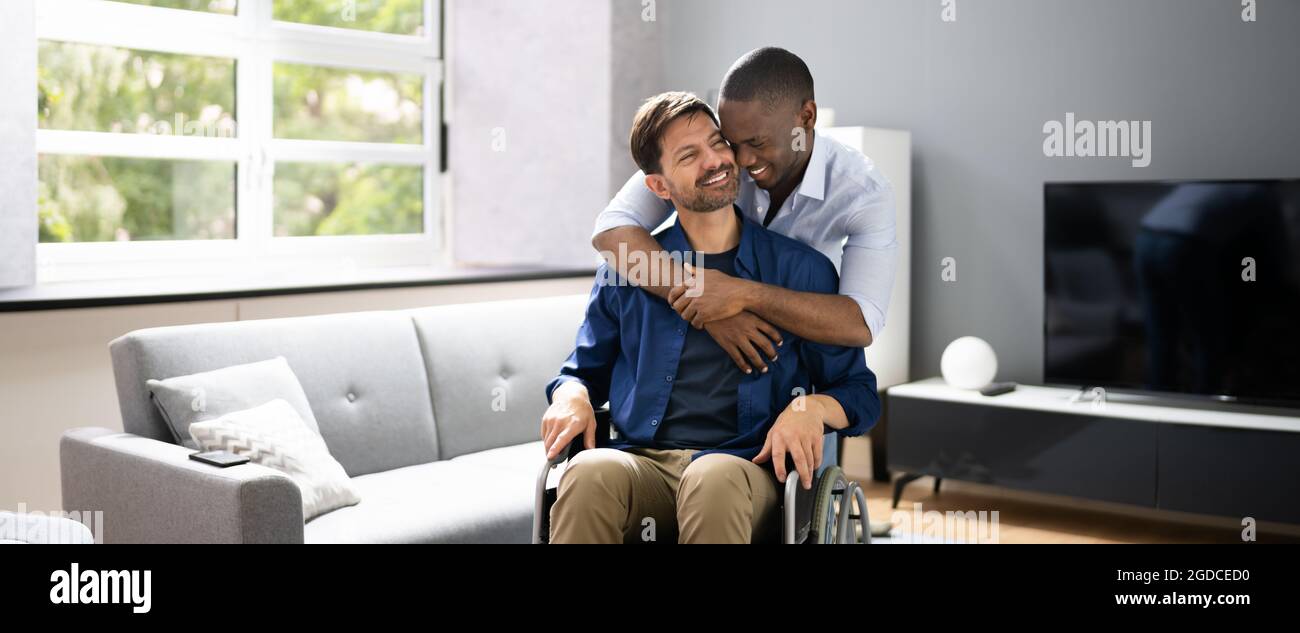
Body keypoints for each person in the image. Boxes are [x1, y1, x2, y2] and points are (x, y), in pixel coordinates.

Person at [542, 92, 879, 544]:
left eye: (718, 143)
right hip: (642, 465)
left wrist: (810, 407)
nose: (715, 160)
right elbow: (581, 372)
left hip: (744, 468)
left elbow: (859, 394)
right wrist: (571, 395)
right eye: (690, 155)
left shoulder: (801, 271)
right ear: (659, 187)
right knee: (587, 472)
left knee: (712, 478)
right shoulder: (629, 270)